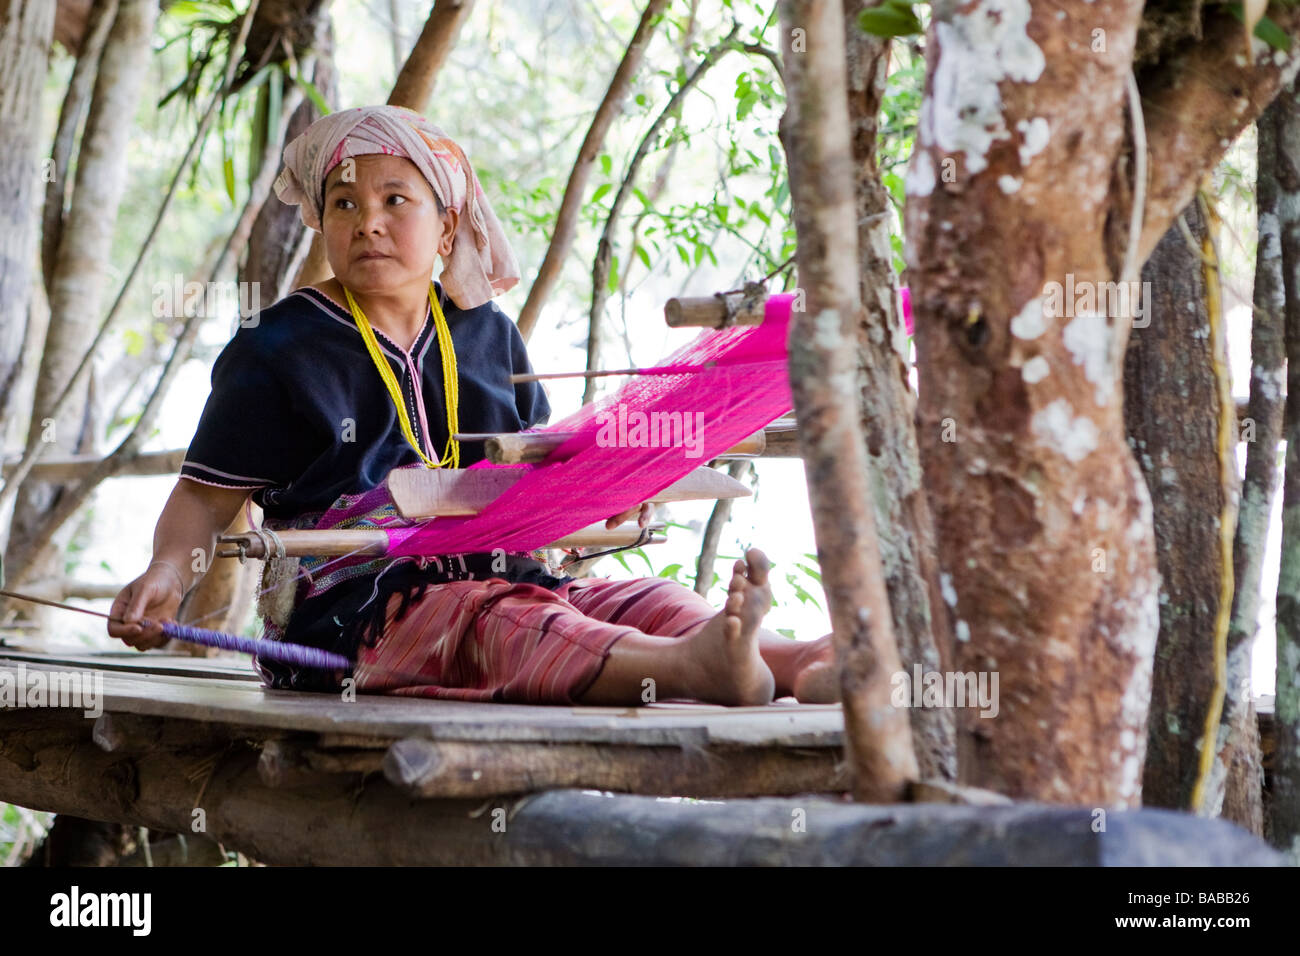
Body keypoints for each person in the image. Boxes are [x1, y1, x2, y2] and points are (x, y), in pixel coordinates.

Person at [108, 105, 835, 707]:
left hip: (506, 567)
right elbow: (205, 500)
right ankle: (686, 669)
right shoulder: (276, 347)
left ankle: (793, 659)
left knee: (636, 599)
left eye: (396, 200)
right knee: (496, 623)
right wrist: (166, 576)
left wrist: (597, 504)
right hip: (351, 616)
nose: (368, 222)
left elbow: (531, 477)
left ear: (447, 229)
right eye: (345, 204)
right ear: (323, 224)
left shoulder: (487, 334)